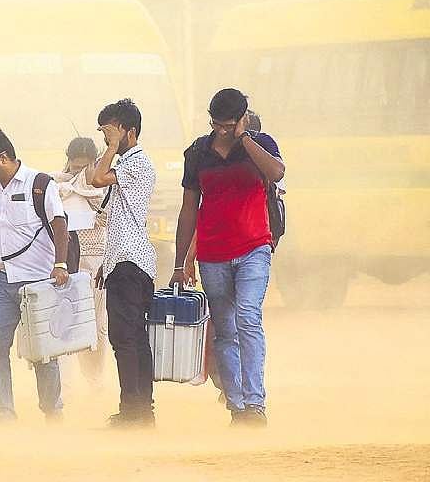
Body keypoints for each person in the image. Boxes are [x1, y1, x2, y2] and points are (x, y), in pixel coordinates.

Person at [172, 89, 285, 427]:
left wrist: (244, 139)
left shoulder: (261, 144)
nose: (221, 131)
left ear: (242, 118)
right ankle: (237, 406)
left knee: (248, 318)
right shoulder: (197, 153)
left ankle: (255, 403)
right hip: (213, 254)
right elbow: (189, 208)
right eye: (215, 125)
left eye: (227, 125)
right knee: (224, 329)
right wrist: (181, 263)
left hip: (254, 247)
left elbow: (277, 172)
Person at [0, 128, 69, 423]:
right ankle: (4, 414)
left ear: (4, 158)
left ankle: (52, 411)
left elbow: (60, 226)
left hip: (38, 282)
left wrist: (60, 265)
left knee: (42, 351)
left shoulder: (40, 184)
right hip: (0, 281)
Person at [90, 99, 157, 428]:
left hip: (130, 262)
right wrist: (108, 261)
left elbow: (95, 178)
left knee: (125, 337)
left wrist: (114, 146)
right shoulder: (130, 165)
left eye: (112, 133)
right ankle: (141, 410)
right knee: (134, 337)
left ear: (130, 131)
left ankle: (134, 411)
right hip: (127, 260)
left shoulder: (135, 162)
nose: (107, 140)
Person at [51, 137, 109, 383]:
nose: (79, 173)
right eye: (75, 168)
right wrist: (70, 186)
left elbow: (108, 217)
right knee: (63, 323)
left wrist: (83, 192)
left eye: (84, 167)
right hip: (65, 262)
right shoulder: (55, 185)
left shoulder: (104, 185)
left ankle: (93, 381)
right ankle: (64, 384)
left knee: (95, 326)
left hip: (94, 262)